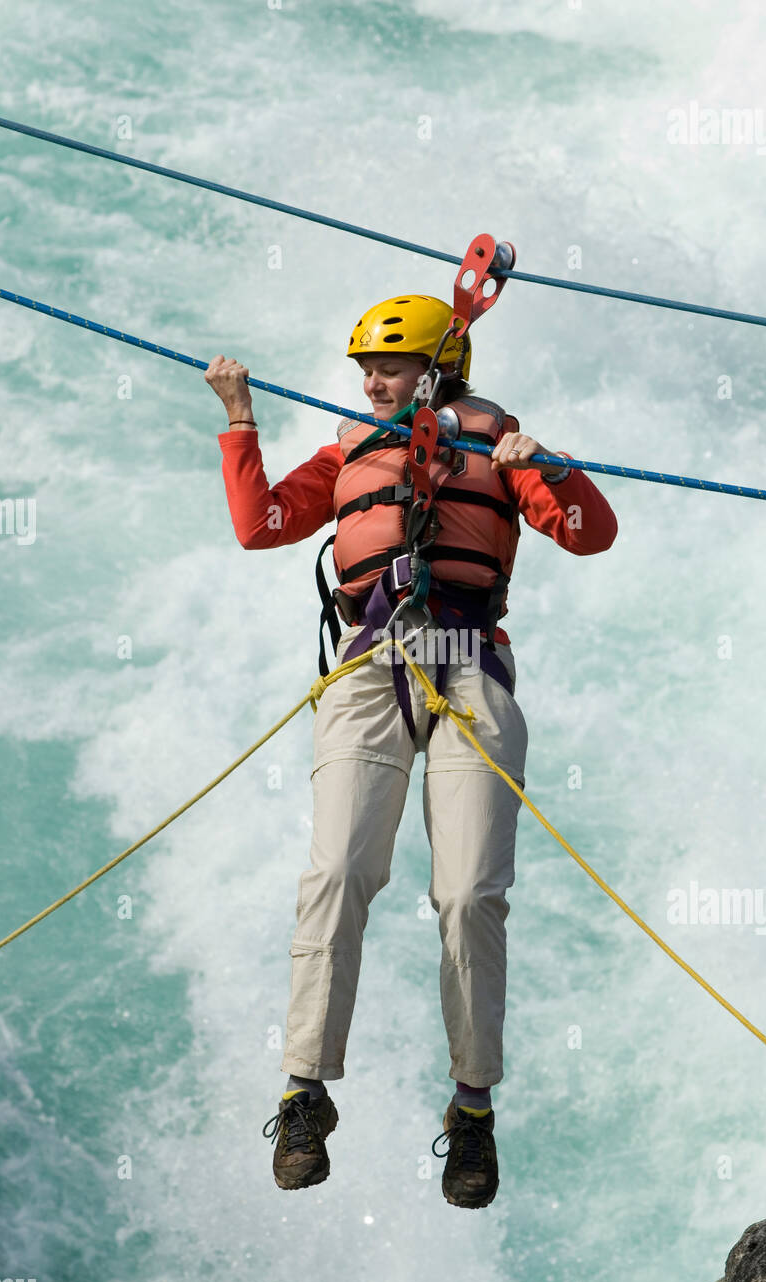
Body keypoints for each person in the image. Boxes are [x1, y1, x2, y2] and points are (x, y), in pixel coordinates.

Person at [206, 294, 618, 1209]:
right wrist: (241, 423)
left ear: (439, 368)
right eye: (364, 368)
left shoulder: (497, 441)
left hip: (469, 663)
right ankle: (305, 1092)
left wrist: (549, 464)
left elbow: (593, 535)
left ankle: (472, 1111)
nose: (371, 382)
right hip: (371, 664)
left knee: (469, 892)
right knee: (337, 873)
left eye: (388, 367)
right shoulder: (347, 447)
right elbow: (260, 523)